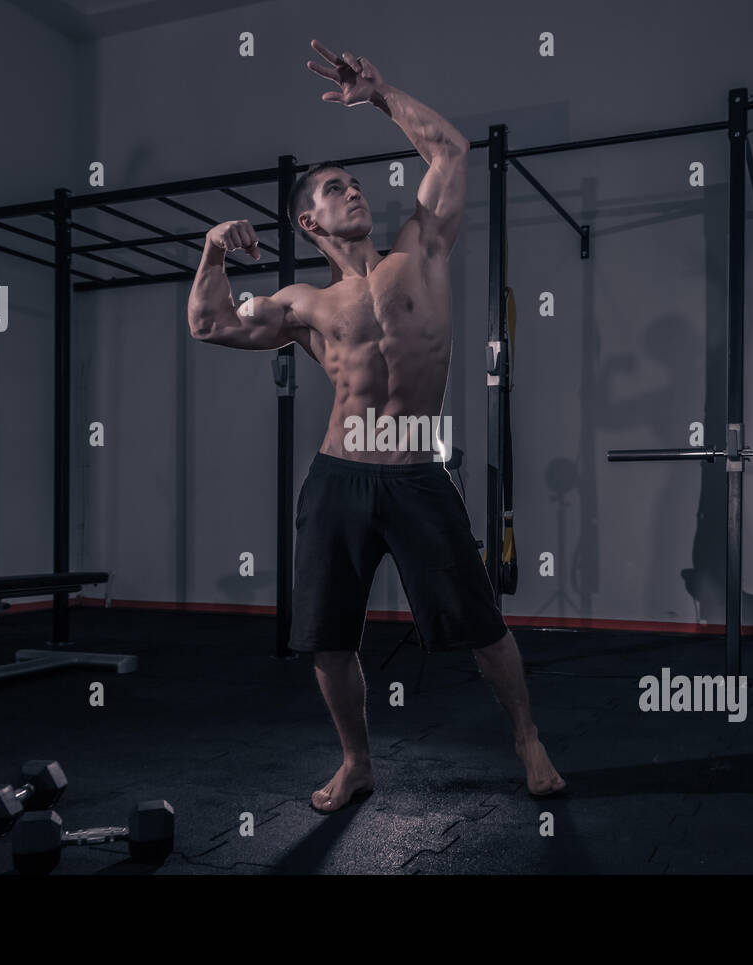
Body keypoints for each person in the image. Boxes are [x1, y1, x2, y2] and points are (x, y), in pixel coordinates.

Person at [187, 40, 564, 812]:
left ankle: (527, 737)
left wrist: (382, 95)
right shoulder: (301, 304)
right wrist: (212, 252)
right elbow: (208, 325)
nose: (354, 193)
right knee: (326, 635)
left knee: (483, 624)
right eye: (335, 188)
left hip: (416, 472)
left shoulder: (419, 252)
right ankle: (357, 760)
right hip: (339, 478)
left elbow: (452, 151)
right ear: (308, 217)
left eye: (357, 184)